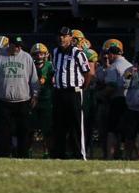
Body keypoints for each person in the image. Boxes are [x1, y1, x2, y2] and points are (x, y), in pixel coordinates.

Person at [0, 36, 39, 158]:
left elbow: (33, 79)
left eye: (20, 46)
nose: (18, 48)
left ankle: (23, 155)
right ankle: (3, 155)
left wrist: (35, 94)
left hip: (23, 101)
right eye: (16, 45)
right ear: (10, 45)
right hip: (4, 101)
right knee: (3, 132)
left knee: (23, 131)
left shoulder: (27, 57)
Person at [50, 26, 92, 160]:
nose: (61, 38)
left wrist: (82, 88)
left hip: (73, 93)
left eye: (64, 36)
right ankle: (59, 154)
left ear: (70, 38)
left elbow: (88, 73)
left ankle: (80, 154)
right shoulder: (55, 52)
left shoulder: (78, 53)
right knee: (59, 125)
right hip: (59, 92)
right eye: (60, 36)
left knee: (76, 125)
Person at [96, 40, 133, 159]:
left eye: (108, 54)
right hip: (130, 101)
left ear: (112, 54)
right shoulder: (129, 65)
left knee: (112, 131)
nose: (106, 57)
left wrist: (99, 95)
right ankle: (130, 156)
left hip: (117, 100)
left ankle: (110, 156)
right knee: (129, 132)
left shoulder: (113, 67)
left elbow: (111, 87)